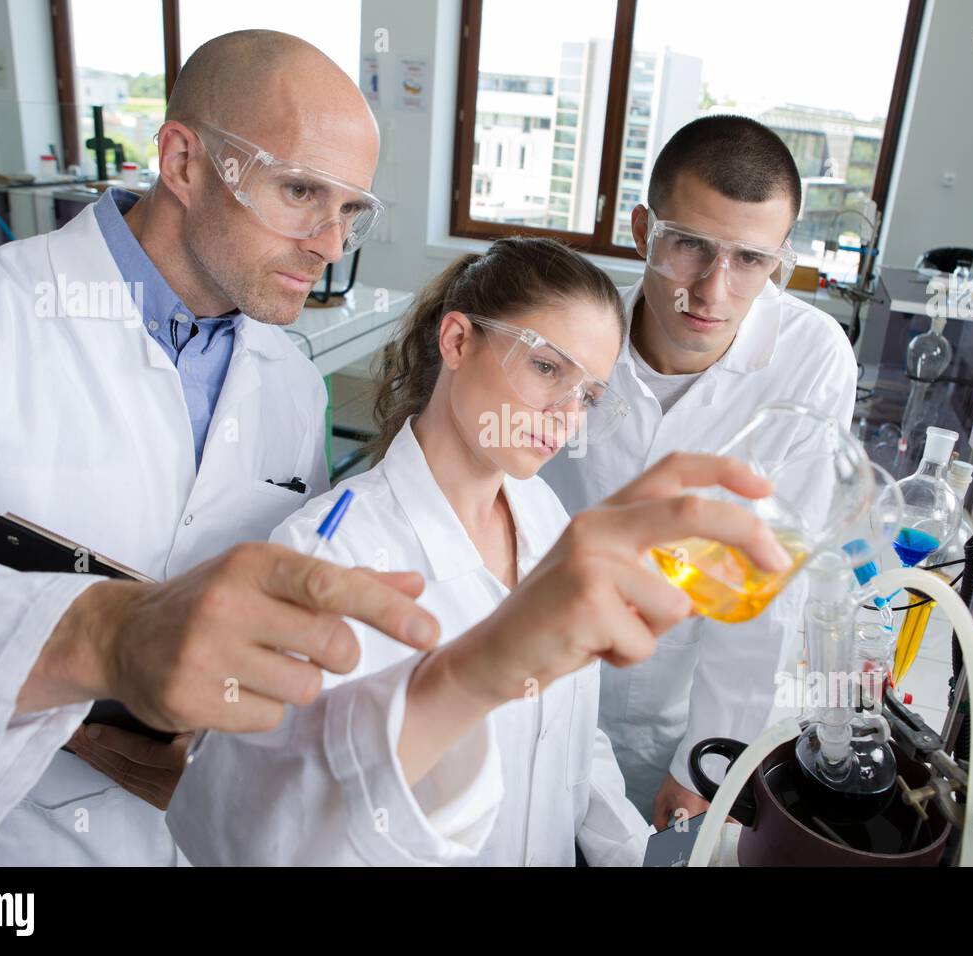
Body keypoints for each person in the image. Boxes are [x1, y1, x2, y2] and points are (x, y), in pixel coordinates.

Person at [0, 30, 788, 867]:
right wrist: (98, 637)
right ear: (183, 160)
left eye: (351, 208)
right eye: (299, 191)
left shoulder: (282, 380)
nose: (329, 244)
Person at [168, 237, 685, 865]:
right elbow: (257, 830)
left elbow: (575, 740)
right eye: (548, 368)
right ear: (459, 342)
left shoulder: (547, 520)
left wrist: (638, 856)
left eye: (589, 396)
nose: (565, 415)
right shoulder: (330, 553)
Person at [541, 115, 858, 828]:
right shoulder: (571, 333)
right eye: (690, 245)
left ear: (780, 258)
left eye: (751, 260)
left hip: (686, 708)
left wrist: (707, 761)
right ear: (640, 229)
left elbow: (769, 581)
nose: (713, 291)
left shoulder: (812, 358)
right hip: (543, 678)